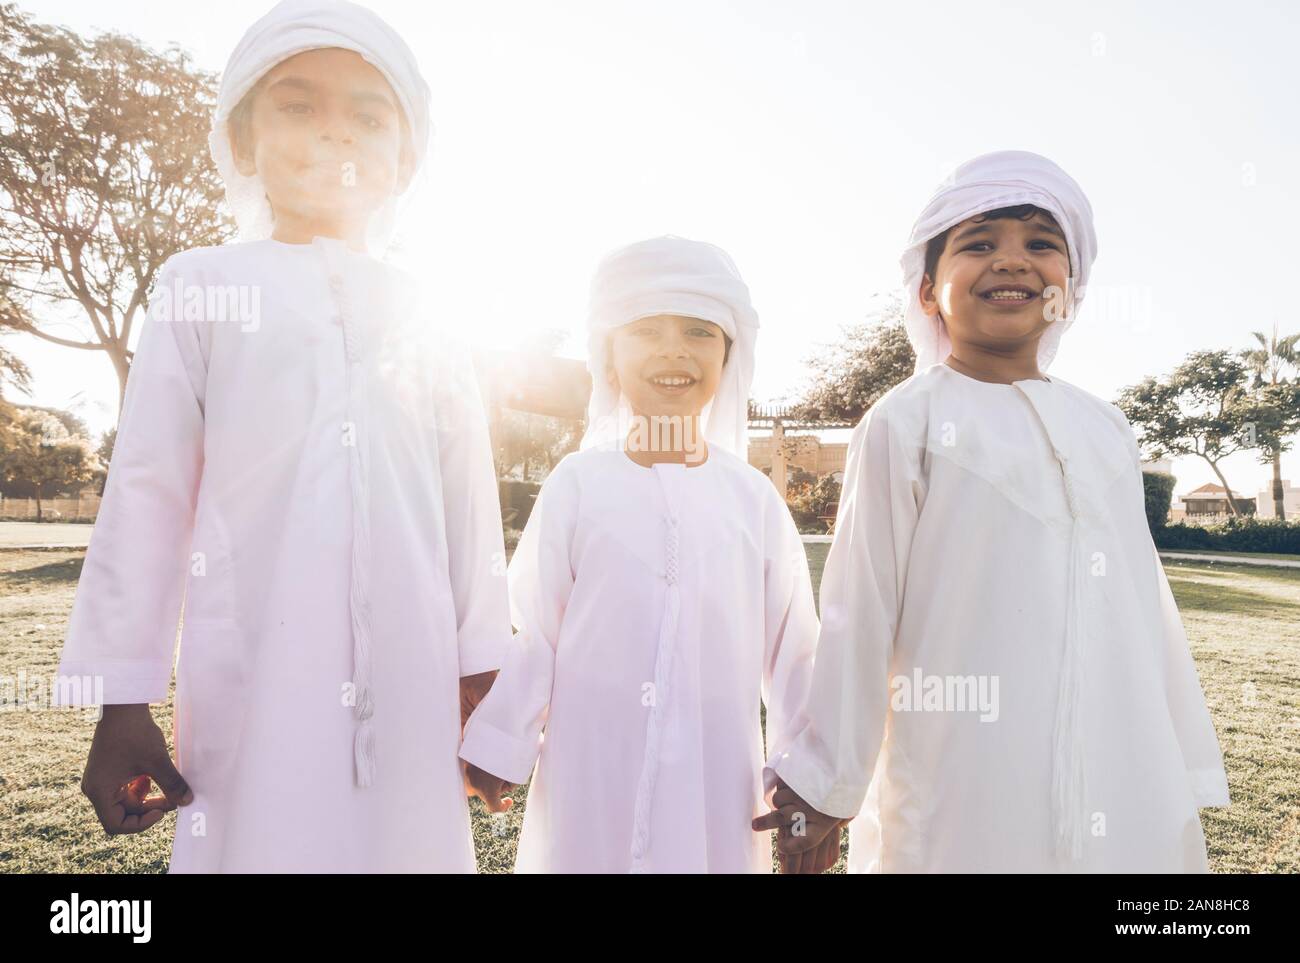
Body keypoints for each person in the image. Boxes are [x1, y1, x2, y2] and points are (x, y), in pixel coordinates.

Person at [55, 0, 510, 872]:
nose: (334, 133)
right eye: (297, 104)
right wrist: (121, 700)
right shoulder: (200, 288)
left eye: (369, 114)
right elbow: (146, 493)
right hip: (252, 672)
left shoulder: (431, 314)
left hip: (415, 688)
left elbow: (470, 504)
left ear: (405, 154)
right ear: (242, 135)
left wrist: (483, 673)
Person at [756, 151, 1229, 873]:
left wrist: (1173, 755)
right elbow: (861, 610)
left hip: (1118, 771)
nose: (1013, 261)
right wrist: (826, 780)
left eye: (1041, 243)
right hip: (962, 777)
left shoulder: (1106, 427)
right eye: (979, 243)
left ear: (1072, 287)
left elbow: (1142, 599)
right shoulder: (904, 421)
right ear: (926, 291)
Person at [460, 236, 819, 872]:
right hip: (593, 764)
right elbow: (538, 630)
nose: (673, 349)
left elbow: (794, 651)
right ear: (609, 358)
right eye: (646, 330)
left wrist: (804, 780)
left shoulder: (753, 499)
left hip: (716, 773)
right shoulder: (578, 482)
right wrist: (501, 742)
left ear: (729, 355)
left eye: (699, 331)